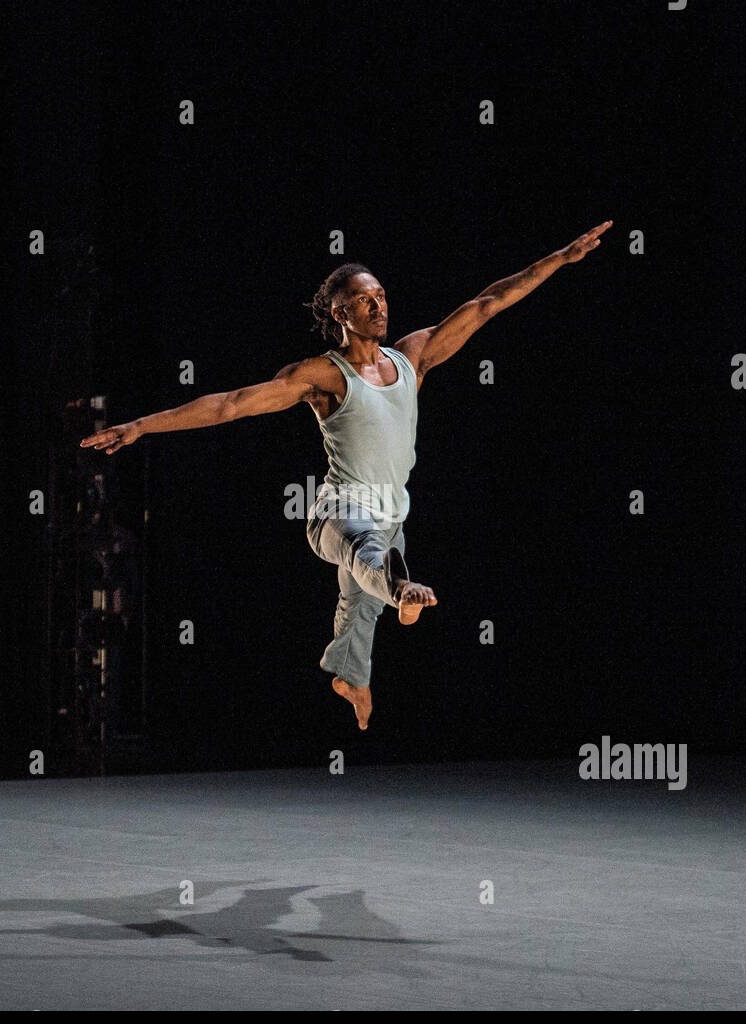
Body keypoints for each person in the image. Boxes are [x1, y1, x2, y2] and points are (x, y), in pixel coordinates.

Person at [82, 221, 612, 728]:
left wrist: (562, 259)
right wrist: (142, 427)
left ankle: (350, 677)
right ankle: (402, 588)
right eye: (366, 300)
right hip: (339, 514)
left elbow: (487, 303)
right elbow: (231, 404)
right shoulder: (323, 375)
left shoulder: (412, 358)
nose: (379, 306)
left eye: (381, 295)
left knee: (359, 609)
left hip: (390, 513)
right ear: (341, 313)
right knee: (368, 559)